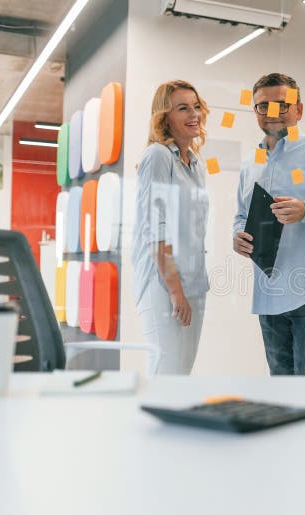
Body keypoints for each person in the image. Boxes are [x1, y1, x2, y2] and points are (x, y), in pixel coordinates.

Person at [233, 73, 305, 376]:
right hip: (267, 293)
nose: (272, 113)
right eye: (262, 106)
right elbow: (240, 215)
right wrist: (238, 236)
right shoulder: (250, 162)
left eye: (282, 105)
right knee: (281, 389)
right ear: (254, 111)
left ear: (299, 110)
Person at [132, 80, 210, 375]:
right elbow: (155, 228)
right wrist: (176, 291)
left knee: (181, 376)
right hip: (163, 284)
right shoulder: (158, 156)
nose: (194, 114)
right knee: (165, 374)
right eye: (183, 108)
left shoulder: (196, 164)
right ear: (165, 117)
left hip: (194, 284)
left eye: (196, 106)